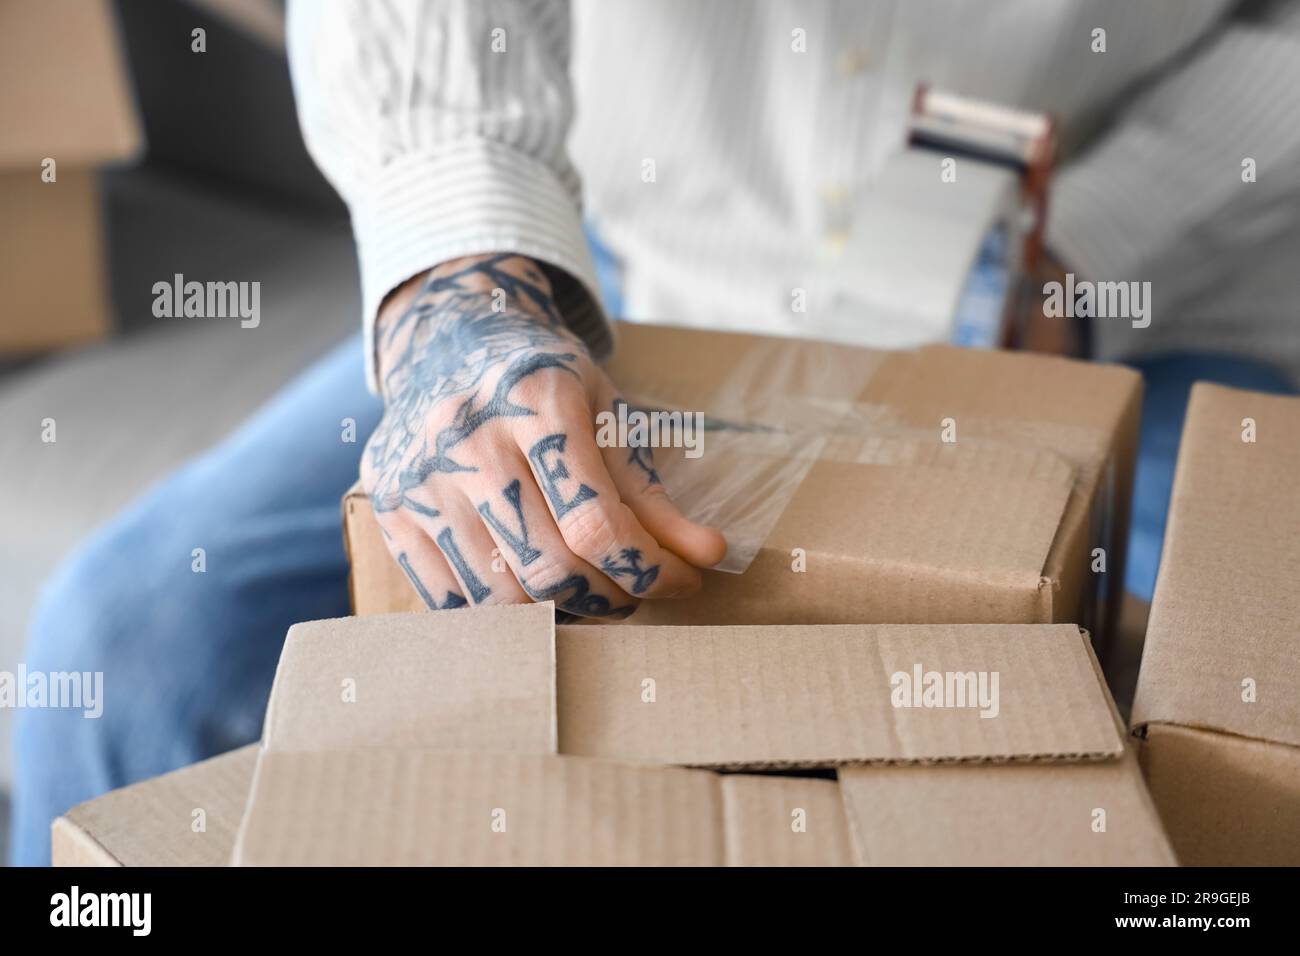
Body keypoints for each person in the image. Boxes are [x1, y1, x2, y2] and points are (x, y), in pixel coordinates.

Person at [10, 0, 1299, 865]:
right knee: (126, 645)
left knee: (1260, 711)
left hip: (1136, 301)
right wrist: (461, 292)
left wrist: (1095, 243)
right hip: (622, 285)